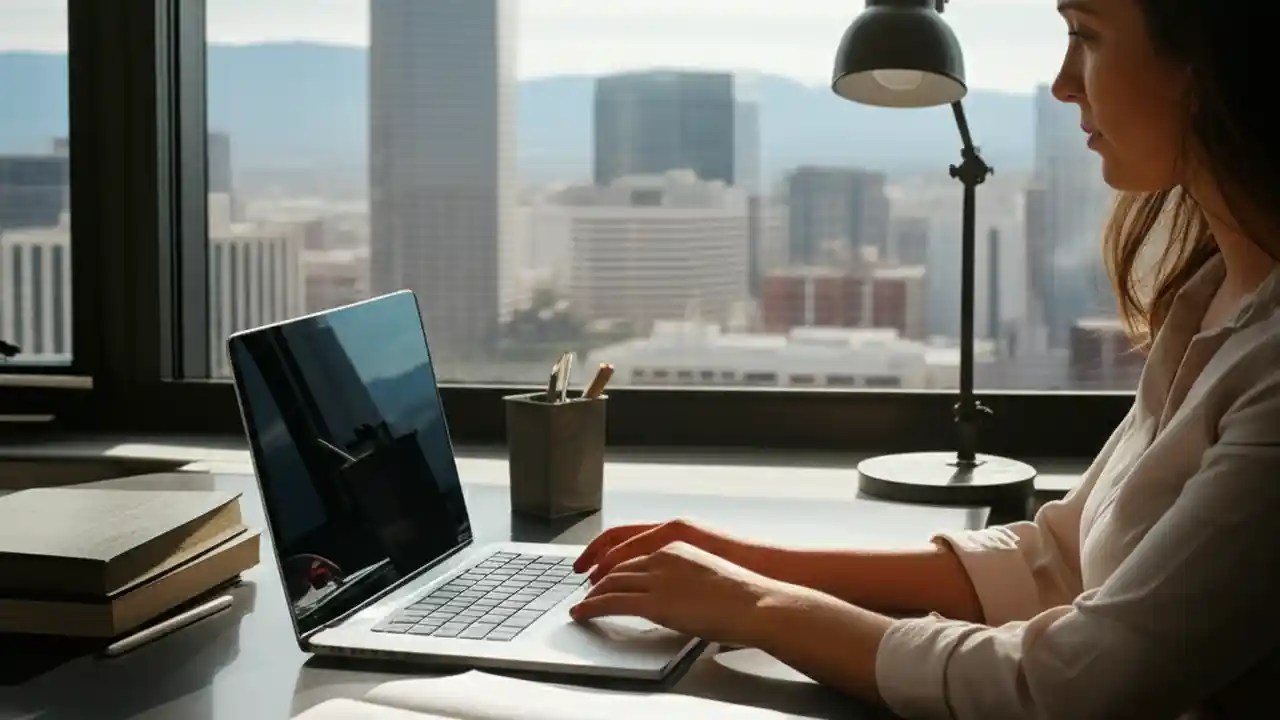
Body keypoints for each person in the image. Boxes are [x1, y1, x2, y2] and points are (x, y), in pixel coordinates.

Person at [568, 1, 1280, 717]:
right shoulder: (1213, 297)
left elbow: (1067, 686)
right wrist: (742, 560)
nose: (1065, 82)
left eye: (1085, 36)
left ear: (1207, 64)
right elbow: (1058, 562)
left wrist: (758, 606)